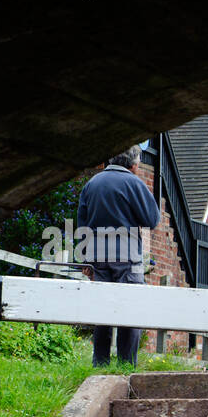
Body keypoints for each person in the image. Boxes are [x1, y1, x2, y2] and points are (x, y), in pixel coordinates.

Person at [77, 145, 161, 366]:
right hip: (128, 258)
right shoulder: (135, 184)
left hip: (97, 258)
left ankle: (100, 365)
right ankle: (126, 365)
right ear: (133, 164)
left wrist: (85, 259)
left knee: (102, 313)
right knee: (130, 311)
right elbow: (152, 219)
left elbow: (82, 225)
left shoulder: (91, 185)